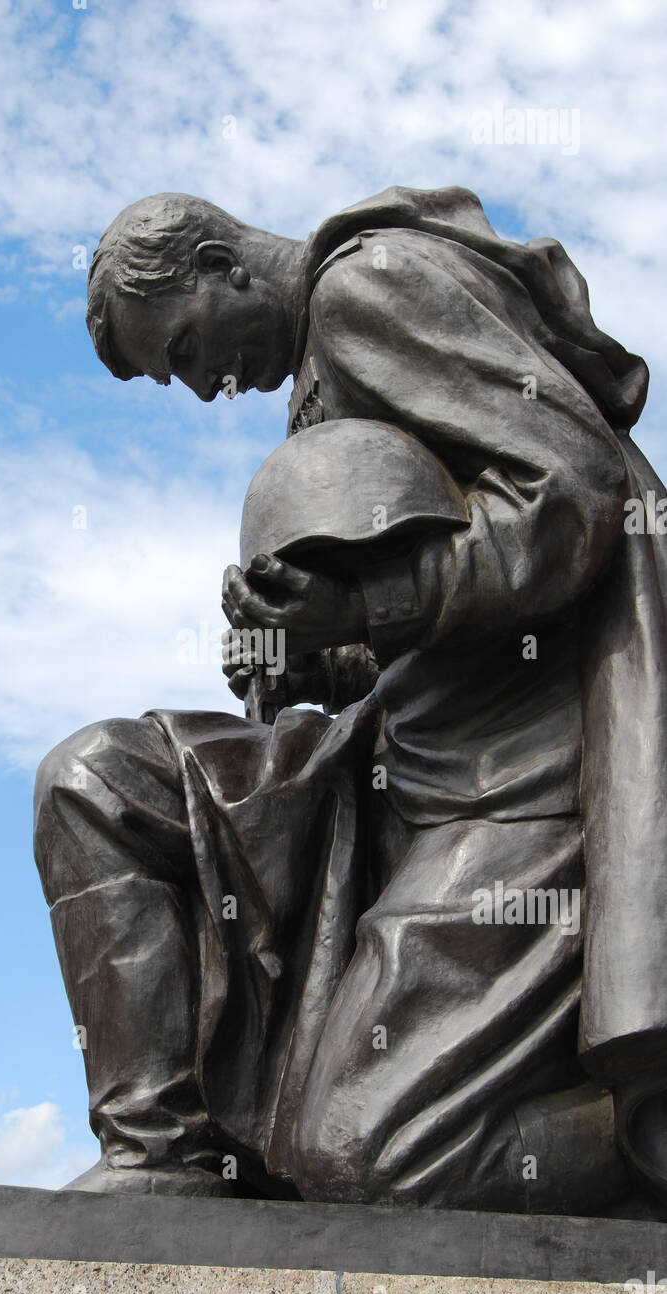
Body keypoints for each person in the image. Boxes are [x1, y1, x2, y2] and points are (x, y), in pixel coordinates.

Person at [34, 186, 667, 1214]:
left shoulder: (369, 289)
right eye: (175, 377)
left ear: (226, 268)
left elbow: (575, 493)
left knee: (361, 1160)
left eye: (187, 349)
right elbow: (419, 633)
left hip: (517, 787)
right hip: (394, 762)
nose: (201, 389)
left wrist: (370, 601)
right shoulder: (318, 372)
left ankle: (637, 1128)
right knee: (96, 780)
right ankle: (162, 1158)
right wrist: (304, 646)